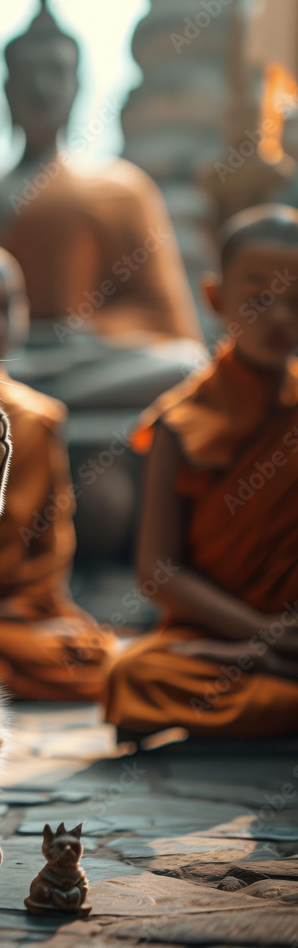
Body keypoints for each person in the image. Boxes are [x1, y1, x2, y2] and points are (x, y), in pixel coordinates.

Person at [0, 0, 205, 409]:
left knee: (185, 364)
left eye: (55, 73)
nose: (42, 89)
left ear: (77, 85)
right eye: (28, 75)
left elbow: (162, 318)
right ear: (6, 87)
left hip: (83, 359)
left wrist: (79, 337)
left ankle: (32, 401)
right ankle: (23, 396)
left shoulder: (124, 189)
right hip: (1, 357)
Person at [105, 205, 298, 737]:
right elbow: (158, 572)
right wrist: (258, 635)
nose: (280, 318)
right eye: (258, 299)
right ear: (215, 297)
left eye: (296, 301)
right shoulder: (181, 423)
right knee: (132, 675)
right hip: (215, 641)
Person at [0, 242, 116, 700]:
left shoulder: (36, 419)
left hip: (5, 613)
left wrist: (15, 608)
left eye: (8, 308)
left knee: (97, 663)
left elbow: (51, 544)